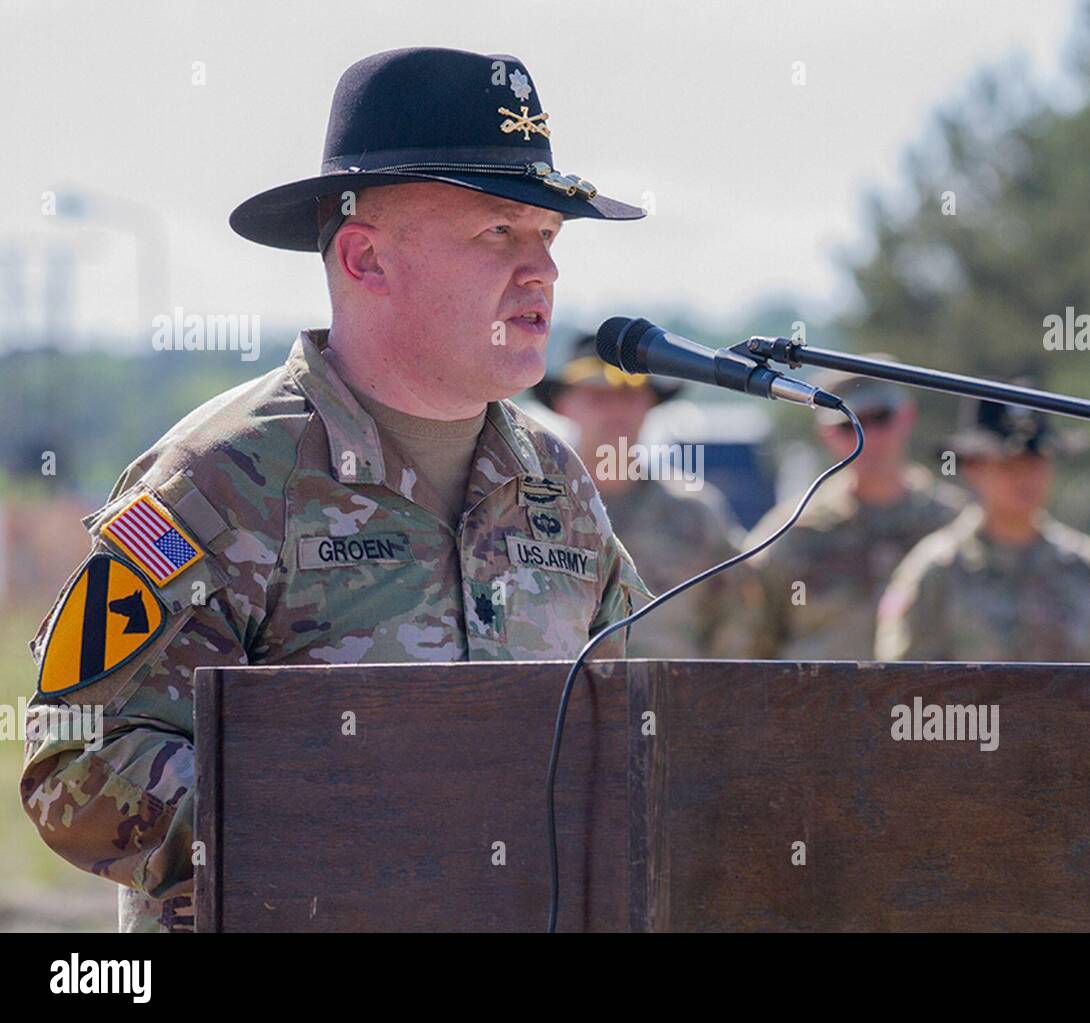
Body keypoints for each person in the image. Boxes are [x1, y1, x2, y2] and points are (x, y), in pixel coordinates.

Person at [20, 47, 653, 933]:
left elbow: (641, 730)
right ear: (365, 259)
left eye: (549, 237)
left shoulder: (556, 488)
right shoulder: (220, 479)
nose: (542, 270)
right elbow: (73, 760)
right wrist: (349, 841)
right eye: (498, 233)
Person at [535, 333, 755, 657]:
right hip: (558, 702)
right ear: (563, 404)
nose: (615, 411)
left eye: (629, 395)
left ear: (650, 404)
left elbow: (740, 620)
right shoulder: (529, 506)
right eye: (598, 397)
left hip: (671, 700)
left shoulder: (696, 512)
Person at [875, 396, 1090, 662]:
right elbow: (901, 685)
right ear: (972, 467)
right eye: (1009, 464)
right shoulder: (937, 570)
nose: (1025, 477)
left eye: (1036, 461)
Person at [744, 366, 966, 659]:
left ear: (907, 416)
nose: (868, 436)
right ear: (826, 433)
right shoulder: (792, 531)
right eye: (849, 426)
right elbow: (748, 642)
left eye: (880, 418)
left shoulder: (956, 525)